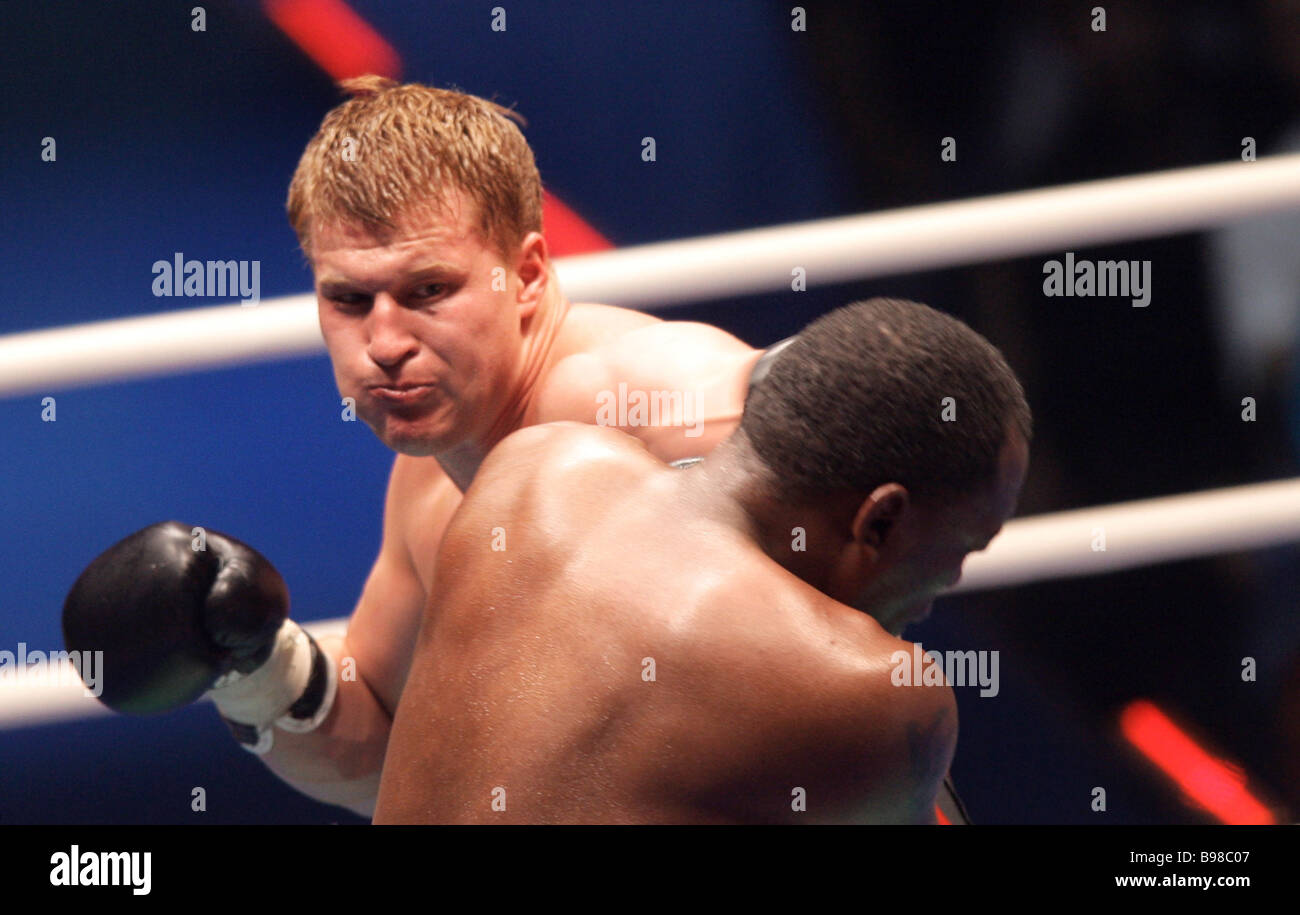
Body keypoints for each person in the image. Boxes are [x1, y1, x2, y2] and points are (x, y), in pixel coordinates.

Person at [61, 75, 759, 816]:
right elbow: (383, 754)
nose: (385, 344)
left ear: (525, 276)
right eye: (350, 300)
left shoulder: (646, 391)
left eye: (428, 290)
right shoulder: (430, 481)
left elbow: (849, 475)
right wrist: (256, 666)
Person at [372, 298, 1031, 824]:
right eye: (961, 548)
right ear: (880, 518)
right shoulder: (875, 691)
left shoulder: (532, 469)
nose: (949, 582)